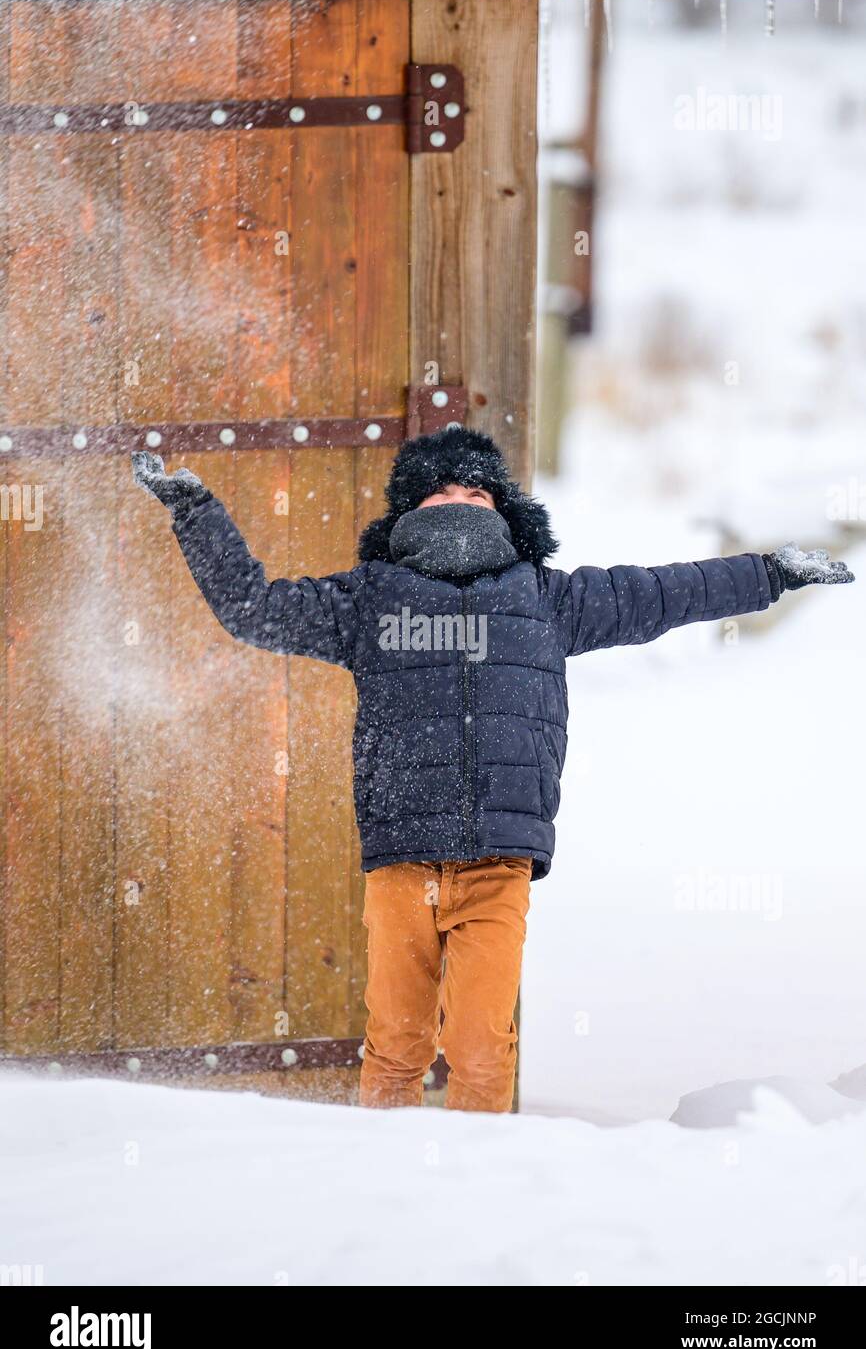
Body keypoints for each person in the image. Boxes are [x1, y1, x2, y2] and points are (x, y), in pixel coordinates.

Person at [132, 426, 854, 1113]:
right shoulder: (369, 600)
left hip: (497, 866)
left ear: (505, 511)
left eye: (478, 492)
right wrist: (195, 510)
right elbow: (254, 607)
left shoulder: (547, 598)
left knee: (480, 1046)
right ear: (411, 509)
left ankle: (480, 1189)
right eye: (442, 490)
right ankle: (381, 1181)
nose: (460, 500)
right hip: (402, 866)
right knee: (396, 1045)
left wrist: (770, 572)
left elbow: (663, 592)